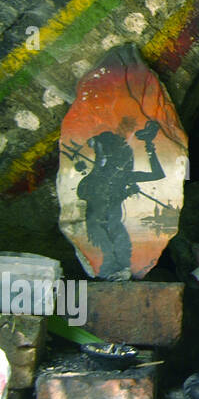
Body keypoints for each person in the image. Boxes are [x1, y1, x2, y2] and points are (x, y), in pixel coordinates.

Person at [76, 120, 165, 280]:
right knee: (107, 258)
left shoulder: (123, 175)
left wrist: (149, 147)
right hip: (97, 227)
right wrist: (99, 166)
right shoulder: (97, 177)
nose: (124, 162)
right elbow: (86, 194)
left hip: (113, 225)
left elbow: (158, 174)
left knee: (122, 253)